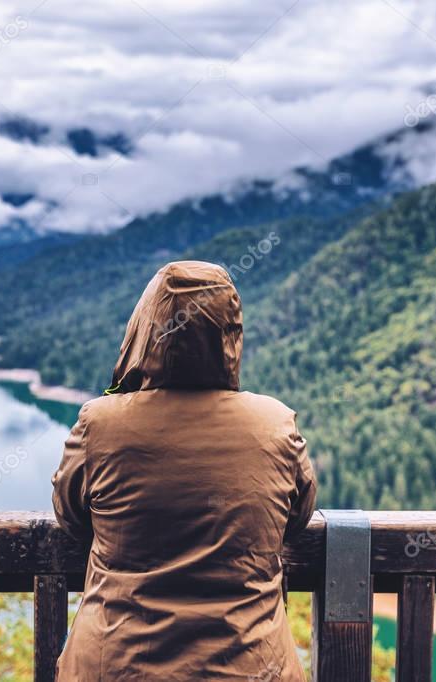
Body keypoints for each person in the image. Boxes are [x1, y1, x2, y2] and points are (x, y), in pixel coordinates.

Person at [51, 260, 317, 681]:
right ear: (229, 335)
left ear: (143, 331)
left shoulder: (100, 423)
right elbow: (296, 519)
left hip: (118, 665)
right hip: (250, 665)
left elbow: (70, 517)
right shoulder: (275, 423)